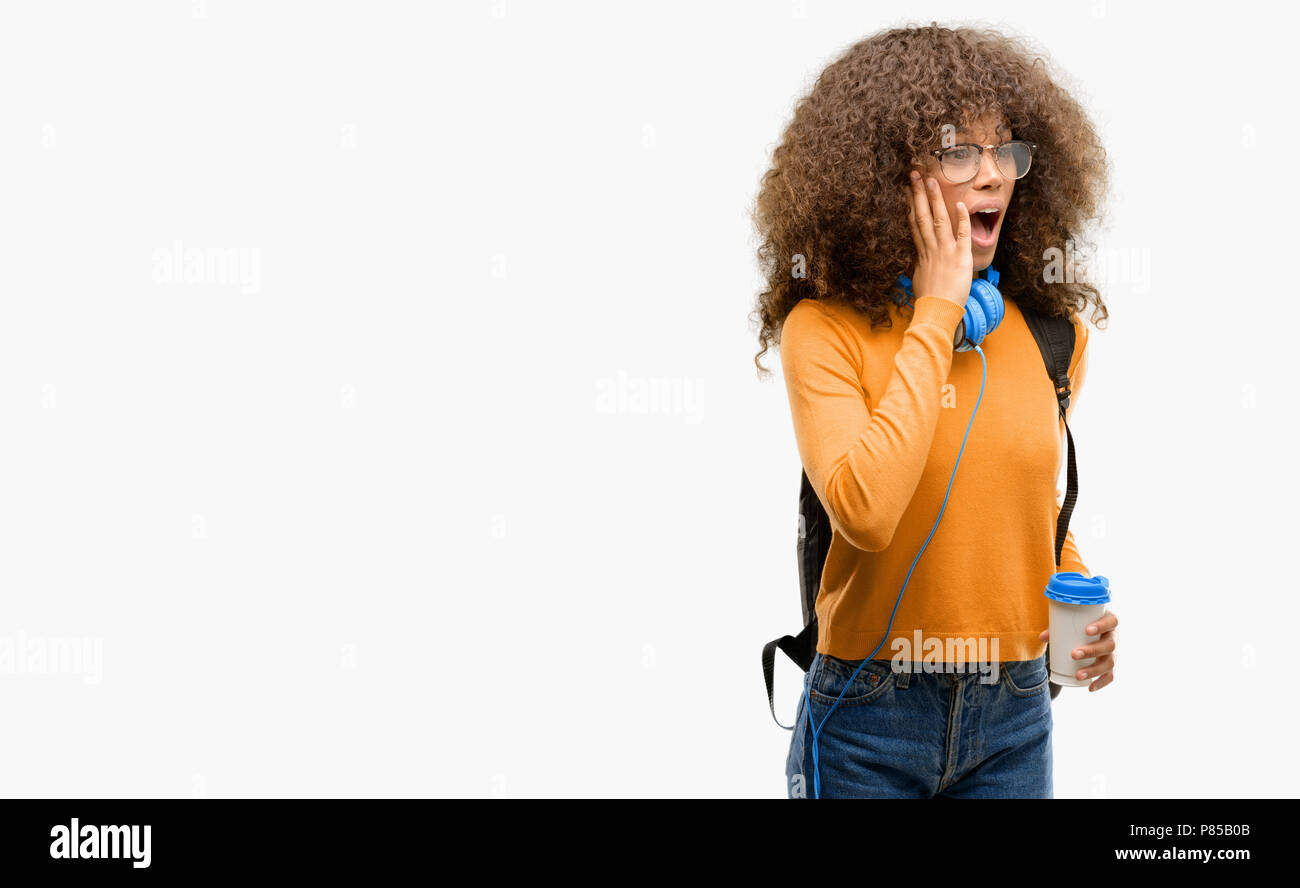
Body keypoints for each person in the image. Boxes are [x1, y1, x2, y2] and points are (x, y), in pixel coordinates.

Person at [751, 23, 1119, 798]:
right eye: (960, 153)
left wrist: (1078, 600)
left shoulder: (1052, 338)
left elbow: (1026, 502)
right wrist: (937, 312)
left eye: (1006, 150)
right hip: (868, 716)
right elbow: (867, 510)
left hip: (1016, 712)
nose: (993, 176)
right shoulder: (823, 332)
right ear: (889, 177)